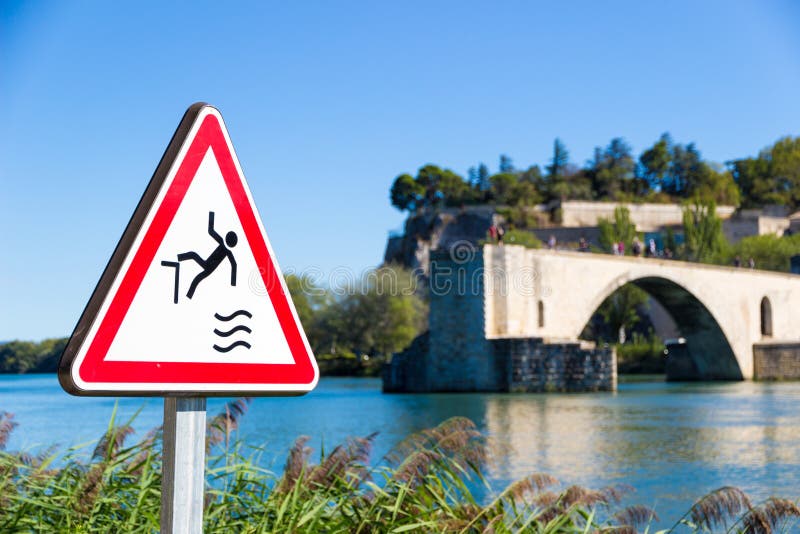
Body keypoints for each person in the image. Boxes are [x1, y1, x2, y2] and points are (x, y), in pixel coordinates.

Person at [178, 211, 238, 299]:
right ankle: (177, 258)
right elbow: (211, 231)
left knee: (197, 277)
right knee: (193, 258)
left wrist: (233, 283)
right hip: (207, 264)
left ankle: (187, 297)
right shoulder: (223, 244)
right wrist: (211, 216)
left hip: (209, 268)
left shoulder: (227, 250)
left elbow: (234, 265)